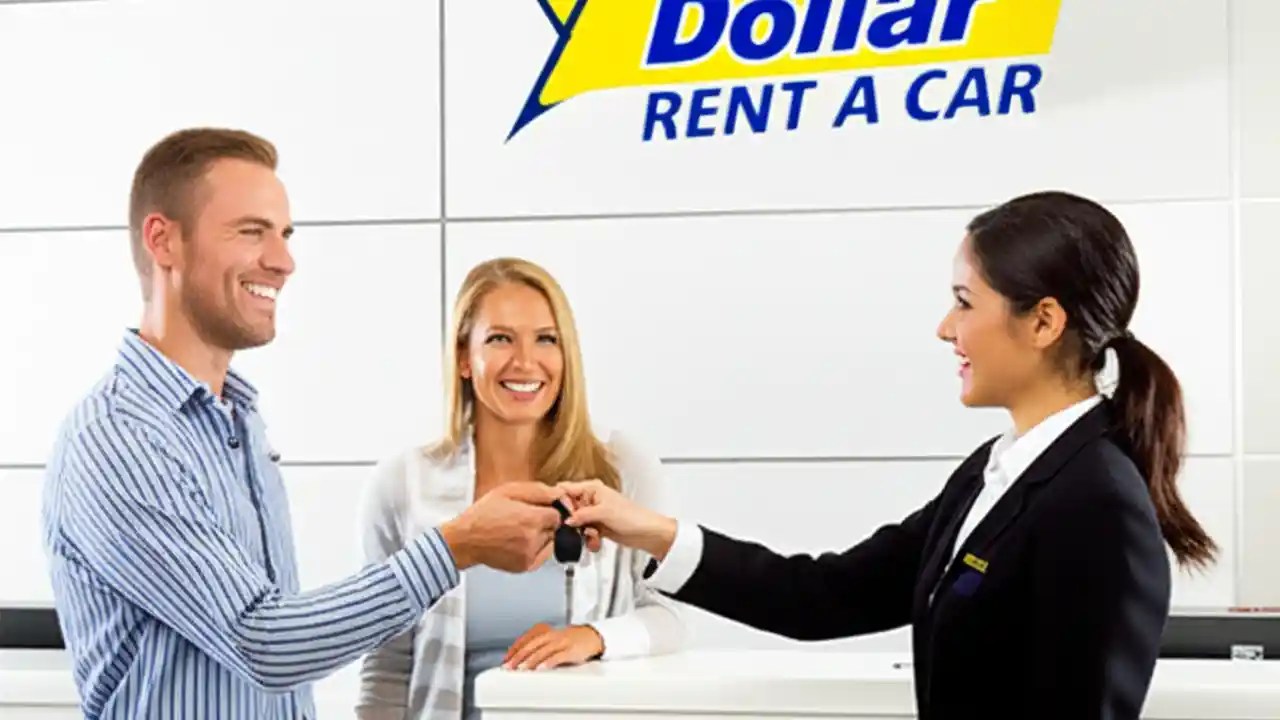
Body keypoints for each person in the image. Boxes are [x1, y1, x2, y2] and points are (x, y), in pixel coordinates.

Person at [559, 191, 1218, 720]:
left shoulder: (1097, 505)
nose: (944, 327)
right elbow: (822, 596)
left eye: (964, 302)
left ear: (1044, 322)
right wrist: (645, 528)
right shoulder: (993, 475)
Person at [40, 128, 572, 720]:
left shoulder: (237, 423)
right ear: (163, 241)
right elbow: (263, 642)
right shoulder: (121, 438)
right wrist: (456, 546)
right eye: (251, 232)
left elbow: (273, 670)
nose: (284, 261)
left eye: (285, 235)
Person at [356, 257, 686, 720]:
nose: (526, 361)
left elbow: (668, 620)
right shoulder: (403, 485)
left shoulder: (620, 468)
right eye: (499, 339)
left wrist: (593, 638)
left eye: (546, 339)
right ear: (464, 359)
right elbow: (388, 664)